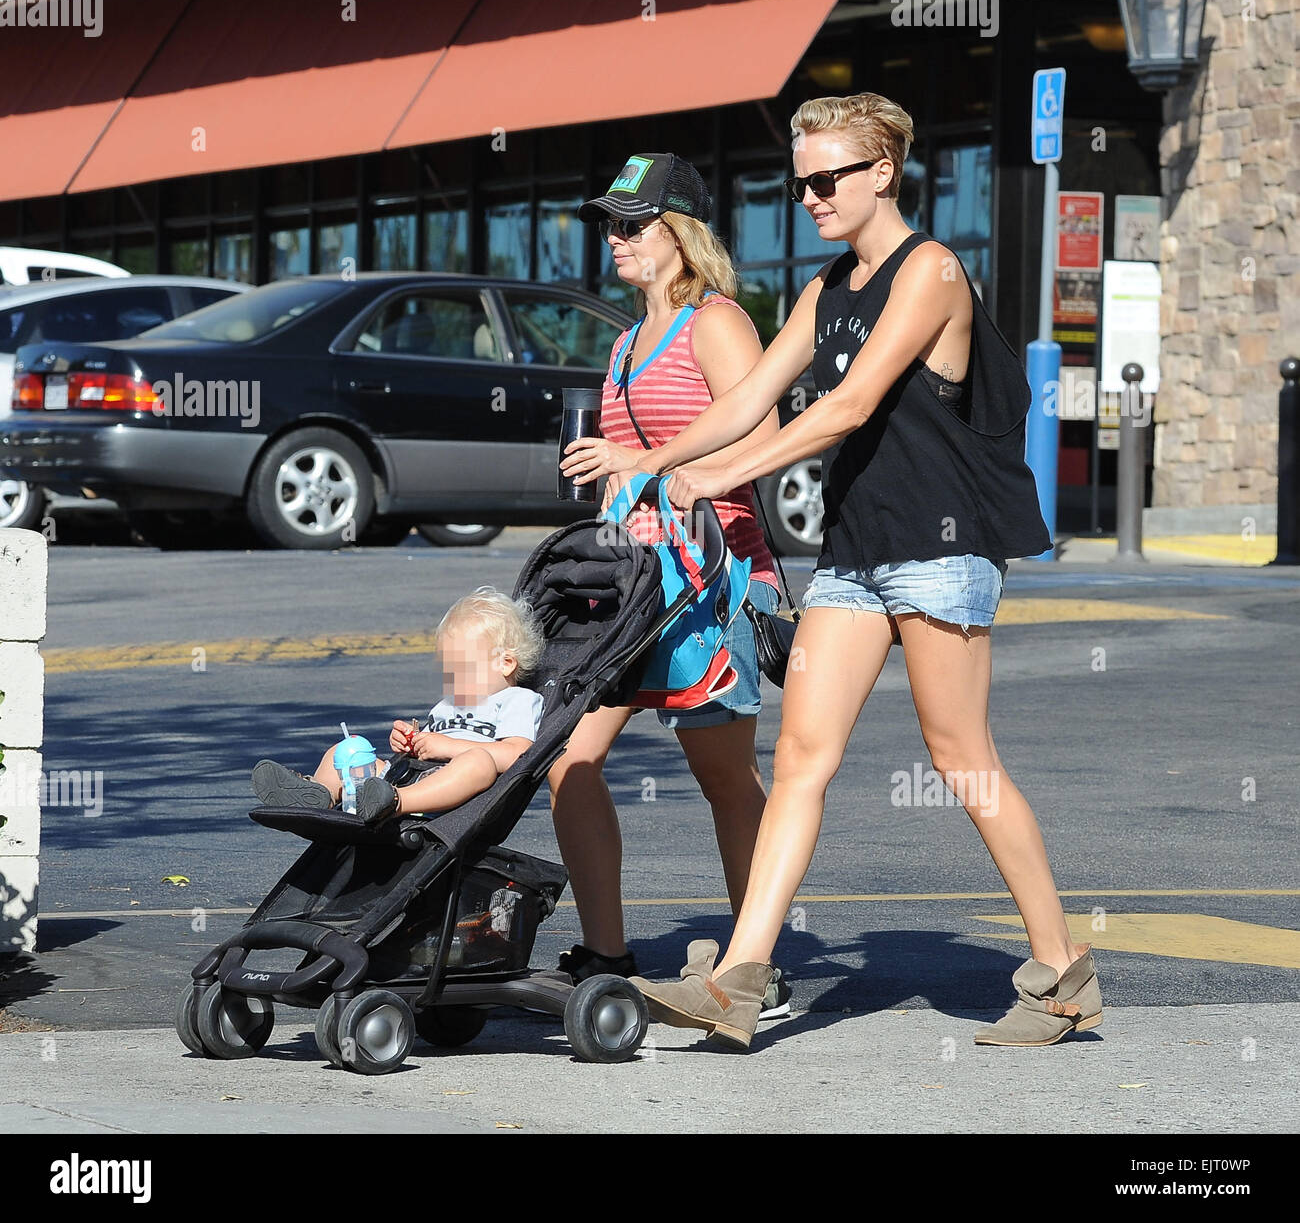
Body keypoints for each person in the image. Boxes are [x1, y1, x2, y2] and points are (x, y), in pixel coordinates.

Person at [610, 95, 1100, 1050]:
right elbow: (755, 393)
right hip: (856, 554)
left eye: (828, 178)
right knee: (801, 757)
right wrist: (655, 462)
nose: (811, 197)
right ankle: (742, 978)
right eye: (799, 184)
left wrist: (717, 475)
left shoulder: (932, 273)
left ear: (883, 172)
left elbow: (846, 406)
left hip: (940, 550)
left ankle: (1063, 970)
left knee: (963, 761)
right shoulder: (829, 285)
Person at [550, 152, 789, 1017]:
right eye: (609, 223)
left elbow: (762, 441)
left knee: (725, 779)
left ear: (680, 234)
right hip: (632, 583)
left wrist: (644, 461)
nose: (614, 238)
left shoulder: (715, 323)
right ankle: (606, 951)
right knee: (567, 755)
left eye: (631, 223)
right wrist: (611, 481)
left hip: (712, 578)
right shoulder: (624, 340)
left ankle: (757, 957)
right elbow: (635, 467)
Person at [252, 587, 545, 823]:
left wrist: (448, 747)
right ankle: (320, 796)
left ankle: (395, 803)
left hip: (451, 790)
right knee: (346, 749)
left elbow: (518, 755)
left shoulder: (517, 699)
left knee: (478, 762)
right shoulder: (449, 704)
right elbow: (429, 743)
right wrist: (410, 740)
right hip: (402, 778)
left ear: (505, 663)